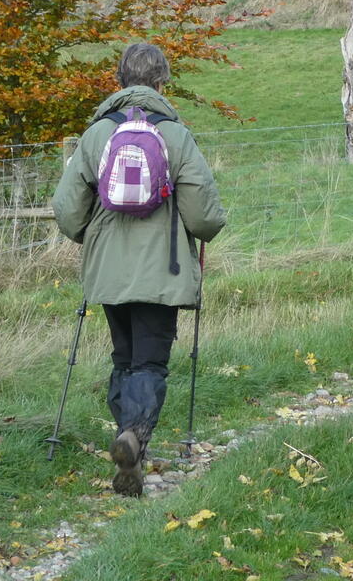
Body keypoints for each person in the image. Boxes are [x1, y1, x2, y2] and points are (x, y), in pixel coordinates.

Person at [52, 42, 226, 498]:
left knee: (123, 357)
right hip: (161, 270)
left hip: (109, 268)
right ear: (161, 82)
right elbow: (204, 214)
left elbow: (67, 209)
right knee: (150, 361)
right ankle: (134, 436)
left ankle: (128, 440)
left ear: (118, 80)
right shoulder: (175, 135)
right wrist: (209, 230)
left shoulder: (96, 135)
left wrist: (90, 237)